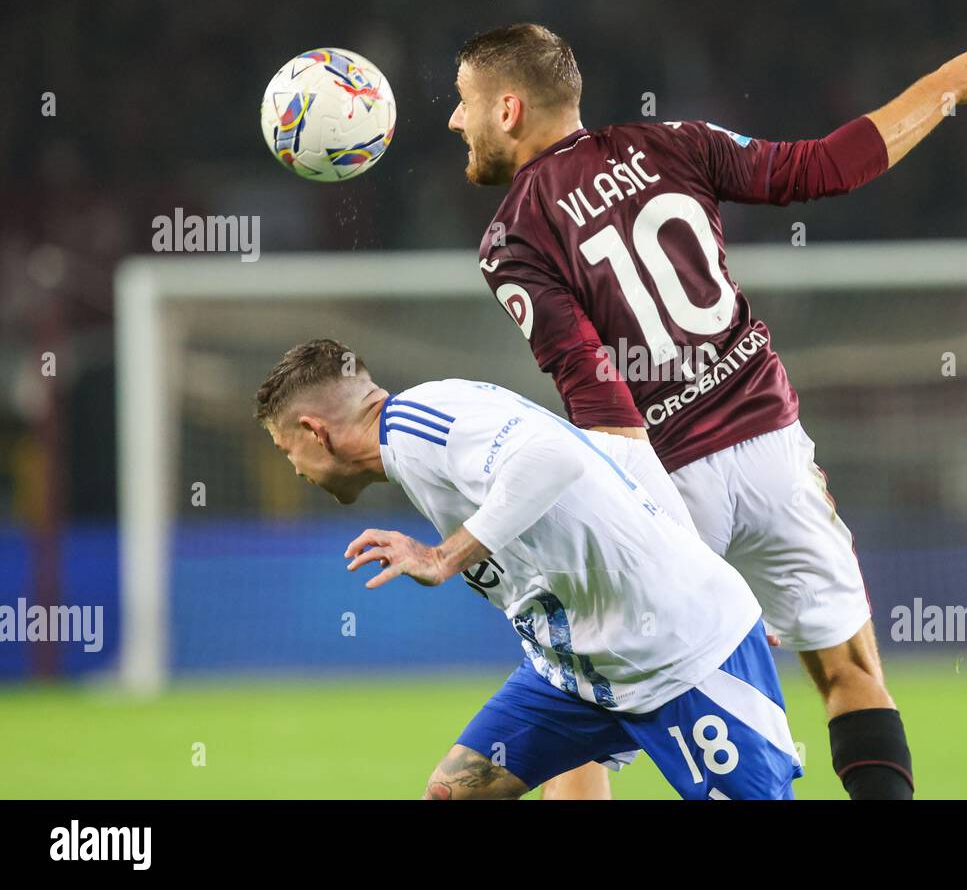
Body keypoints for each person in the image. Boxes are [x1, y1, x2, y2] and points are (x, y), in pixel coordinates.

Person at [446, 23, 967, 798]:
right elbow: (823, 168)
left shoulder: (512, 234)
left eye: (464, 102)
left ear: (509, 109)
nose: (456, 121)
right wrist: (947, 84)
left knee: (582, 713)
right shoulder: (675, 142)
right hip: (772, 451)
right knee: (851, 672)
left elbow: (595, 388)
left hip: (665, 473)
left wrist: (628, 515)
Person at [254, 338, 803, 799]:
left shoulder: (418, 431)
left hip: (677, 657)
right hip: (576, 671)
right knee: (450, 793)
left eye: (286, 450)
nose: (295, 469)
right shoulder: (426, 426)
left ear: (314, 431)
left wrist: (443, 557)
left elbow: (553, 459)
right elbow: (612, 457)